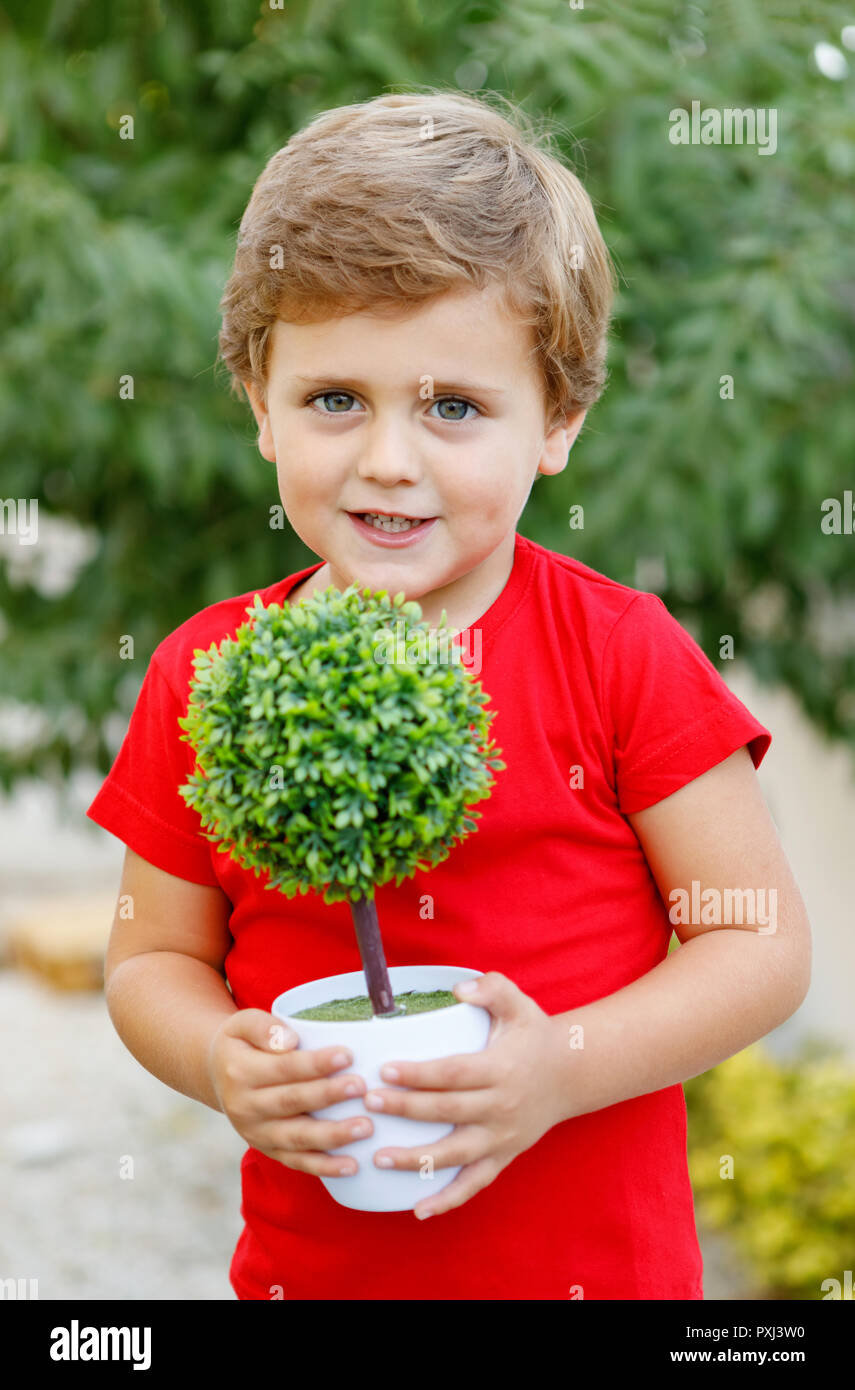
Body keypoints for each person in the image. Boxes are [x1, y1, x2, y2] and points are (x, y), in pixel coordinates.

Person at [87, 88, 811, 1300]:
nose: (387, 460)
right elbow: (148, 959)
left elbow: (759, 942)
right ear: (259, 401)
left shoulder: (618, 652)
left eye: (454, 407)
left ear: (559, 420)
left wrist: (563, 1067)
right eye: (335, 400)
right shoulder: (207, 673)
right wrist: (221, 1056)